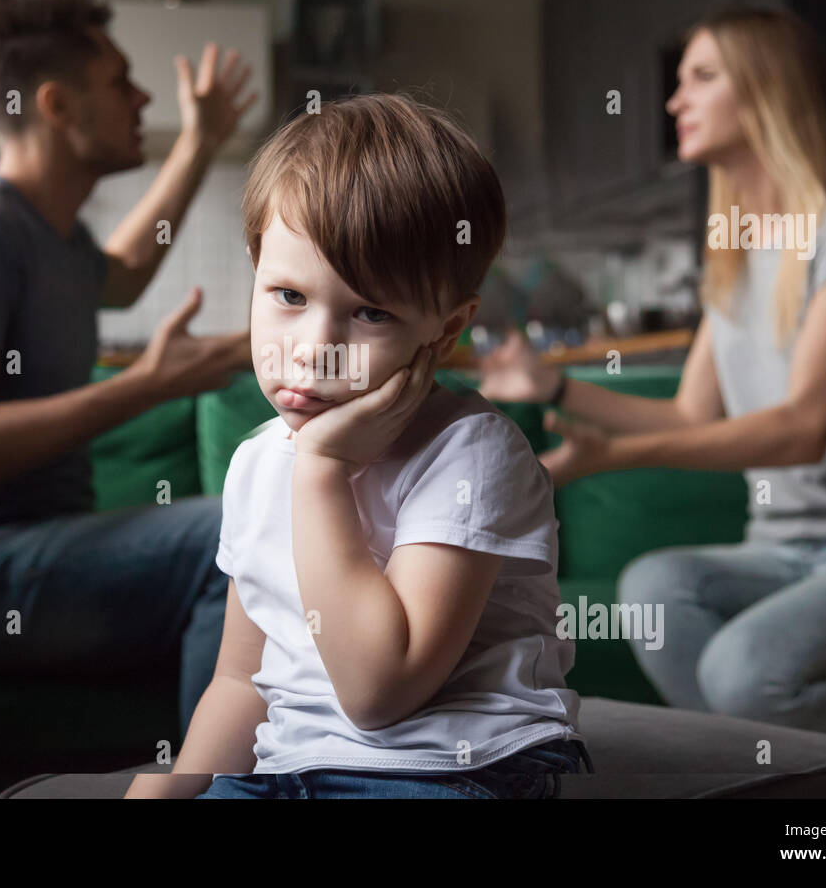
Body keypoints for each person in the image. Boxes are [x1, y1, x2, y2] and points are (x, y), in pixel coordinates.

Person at [478, 6, 826, 772]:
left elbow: (803, 427)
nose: (675, 102)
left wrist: (608, 457)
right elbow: (688, 413)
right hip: (781, 551)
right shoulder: (734, 254)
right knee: (655, 585)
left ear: (770, 91)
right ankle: (774, 795)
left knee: (744, 667)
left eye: (702, 77)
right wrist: (555, 389)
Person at [124, 93, 591, 799]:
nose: (314, 352)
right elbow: (240, 679)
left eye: (370, 312)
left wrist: (321, 472)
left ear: (444, 332)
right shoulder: (257, 462)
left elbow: (380, 690)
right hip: (291, 773)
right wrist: (164, 792)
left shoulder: (471, 453)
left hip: (446, 769)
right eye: (287, 296)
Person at [0, 0, 256, 738]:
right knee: (235, 540)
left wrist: (202, 142)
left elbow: (127, 270)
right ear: (55, 105)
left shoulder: (55, 238)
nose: (143, 96)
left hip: (32, 560)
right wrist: (147, 388)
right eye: (120, 81)